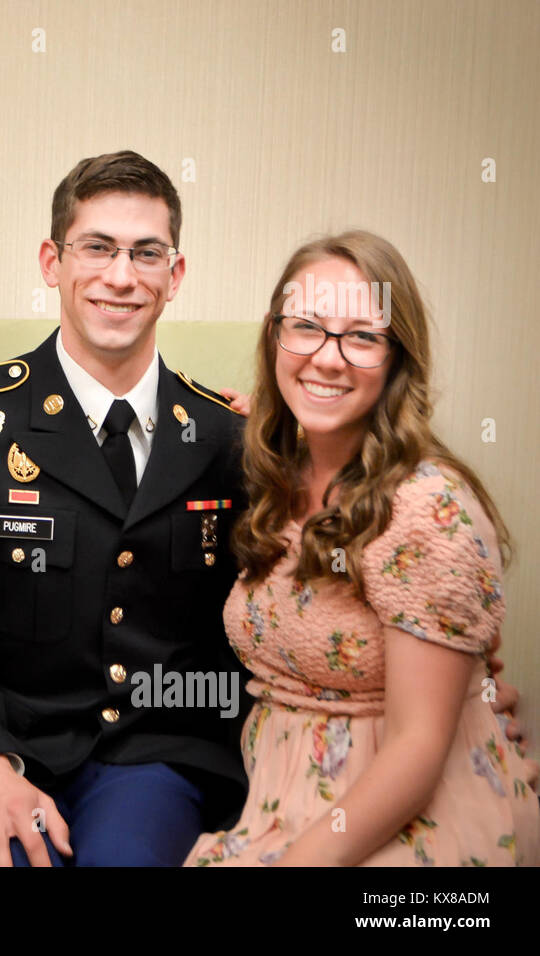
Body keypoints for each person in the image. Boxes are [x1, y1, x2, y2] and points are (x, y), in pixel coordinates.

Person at [0, 150, 252, 867]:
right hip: (10, 741)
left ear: (174, 276)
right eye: (97, 248)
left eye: (146, 253)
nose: (121, 277)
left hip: (159, 751)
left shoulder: (228, 437)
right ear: (51, 262)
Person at [184, 231, 539, 866]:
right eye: (307, 327)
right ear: (274, 337)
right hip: (281, 812)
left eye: (362, 337)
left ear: (398, 358)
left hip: (409, 826)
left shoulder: (426, 507)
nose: (328, 357)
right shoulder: (275, 477)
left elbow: (418, 748)